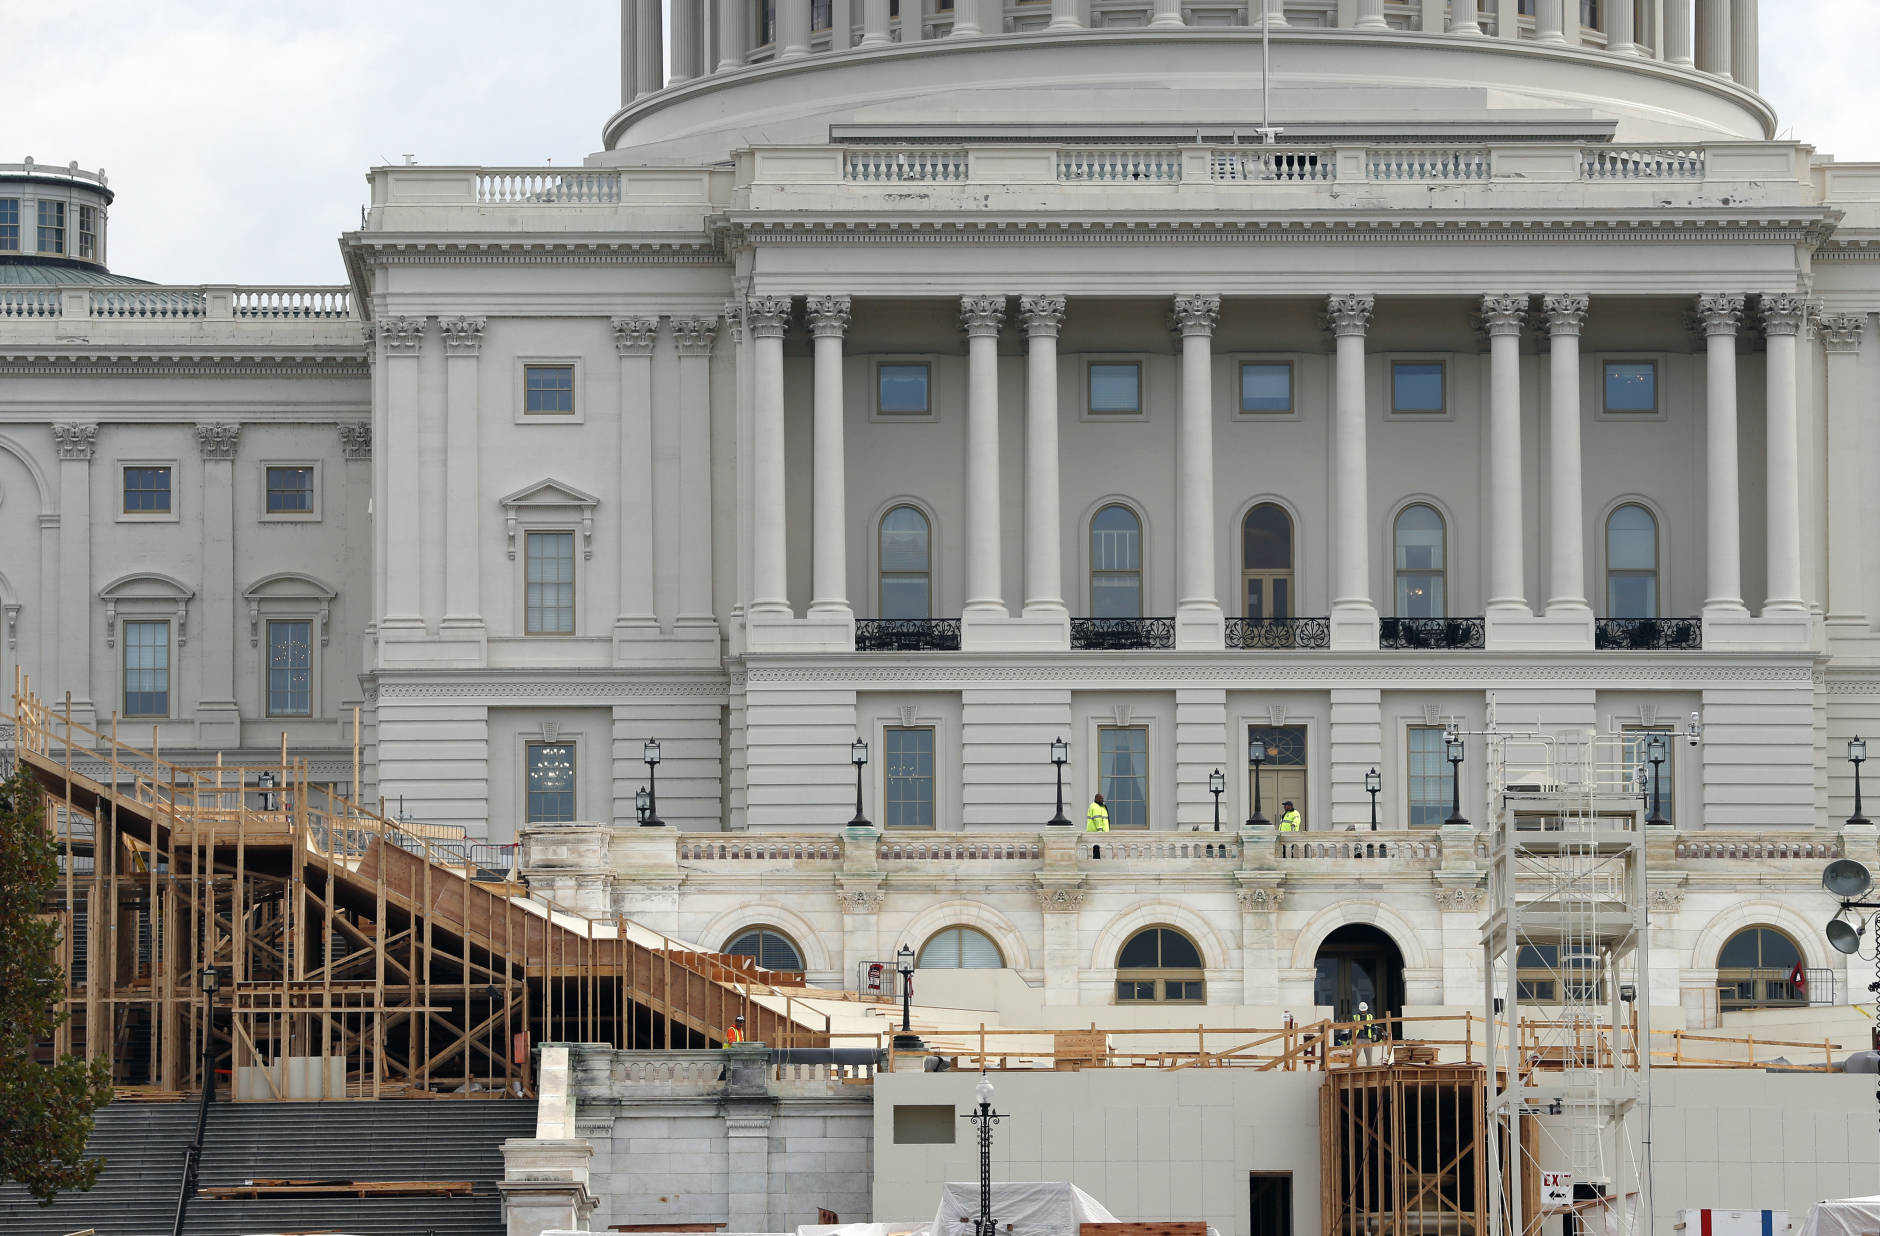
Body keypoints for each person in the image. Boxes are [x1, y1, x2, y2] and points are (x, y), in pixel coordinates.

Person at [1355, 1000, 1380, 1066]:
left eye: (1364, 1009)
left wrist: (1374, 1034)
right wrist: (1350, 1037)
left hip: (1367, 1038)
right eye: (1362, 1010)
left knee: (1369, 1057)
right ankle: (1352, 1068)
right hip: (1358, 1038)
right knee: (1355, 1055)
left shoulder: (1370, 1016)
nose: (1363, 1011)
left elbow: (1373, 1026)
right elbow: (1352, 1027)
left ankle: (1369, 1069)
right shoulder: (1356, 1017)